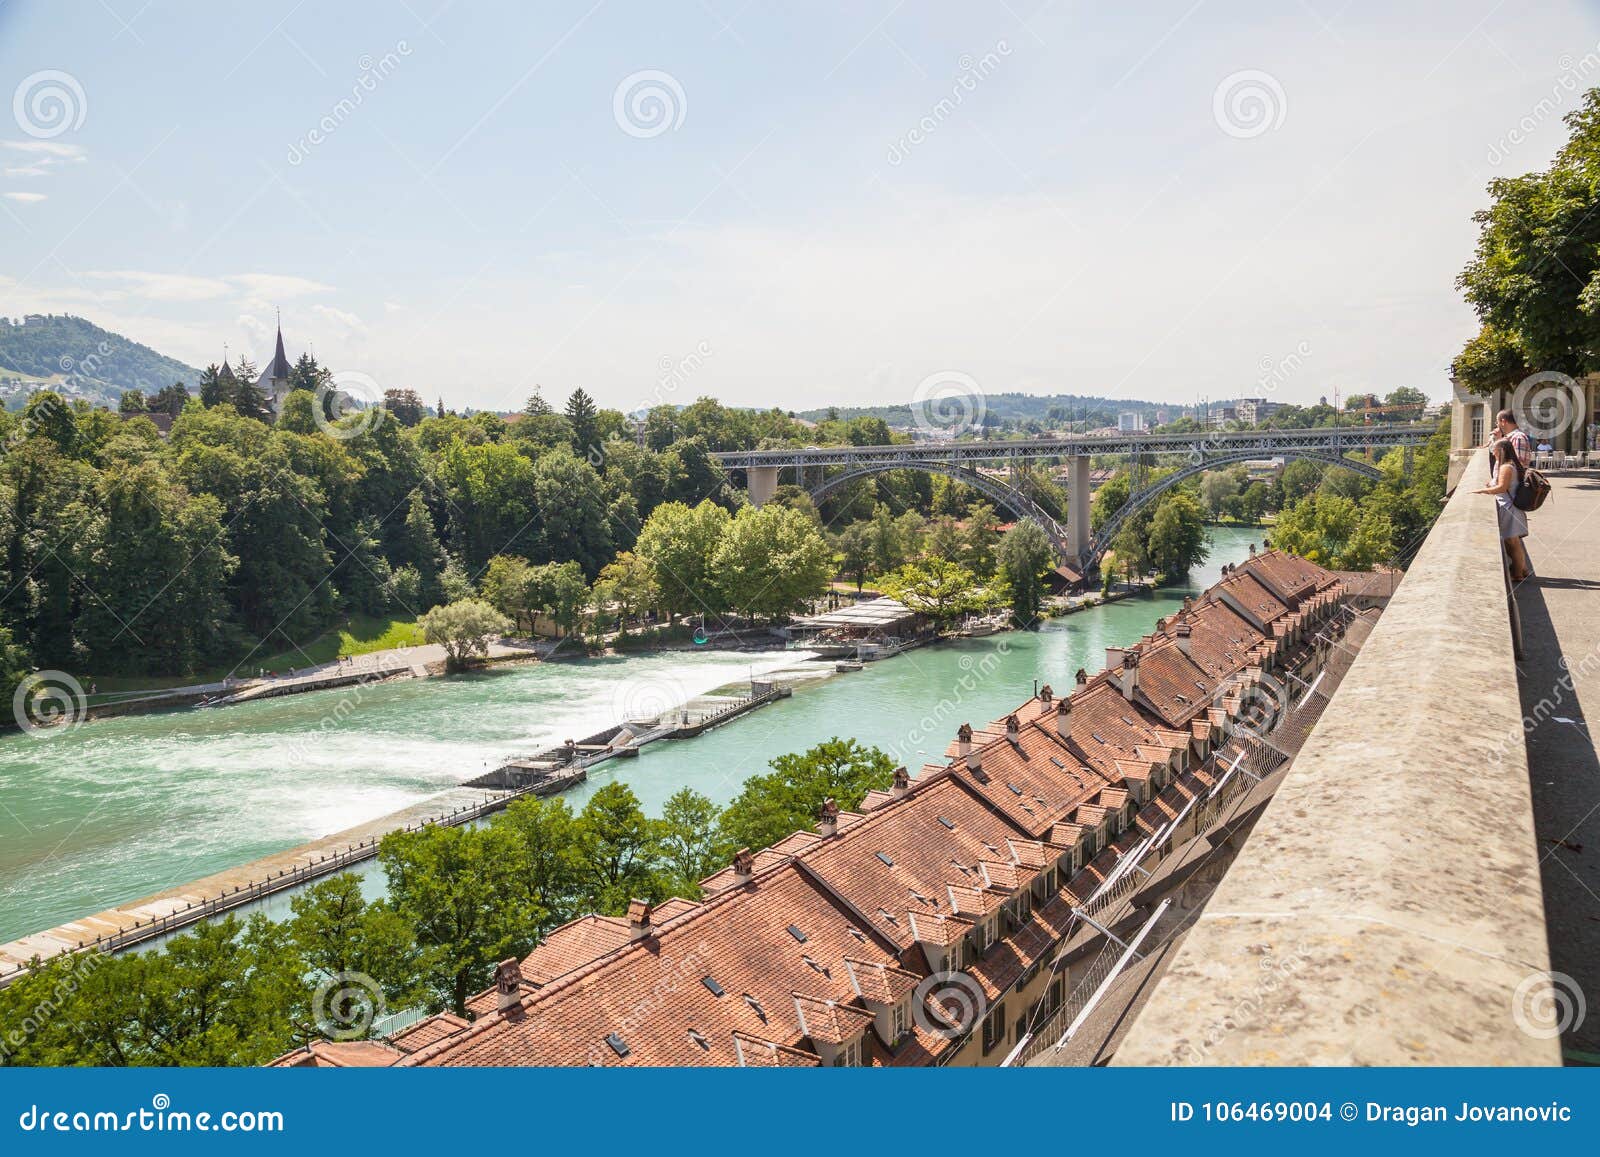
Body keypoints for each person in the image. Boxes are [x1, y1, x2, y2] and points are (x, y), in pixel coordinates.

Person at [1476, 438, 1532, 582]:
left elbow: (1502, 487)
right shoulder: (1510, 465)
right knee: (1511, 542)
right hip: (1510, 507)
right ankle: (1523, 570)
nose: (1493, 455)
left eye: (1494, 452)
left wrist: (1482, 491)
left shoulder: (1506, 467)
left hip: (1509, 508)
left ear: (1501, 451)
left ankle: (1518, 574)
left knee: (1512, 543)